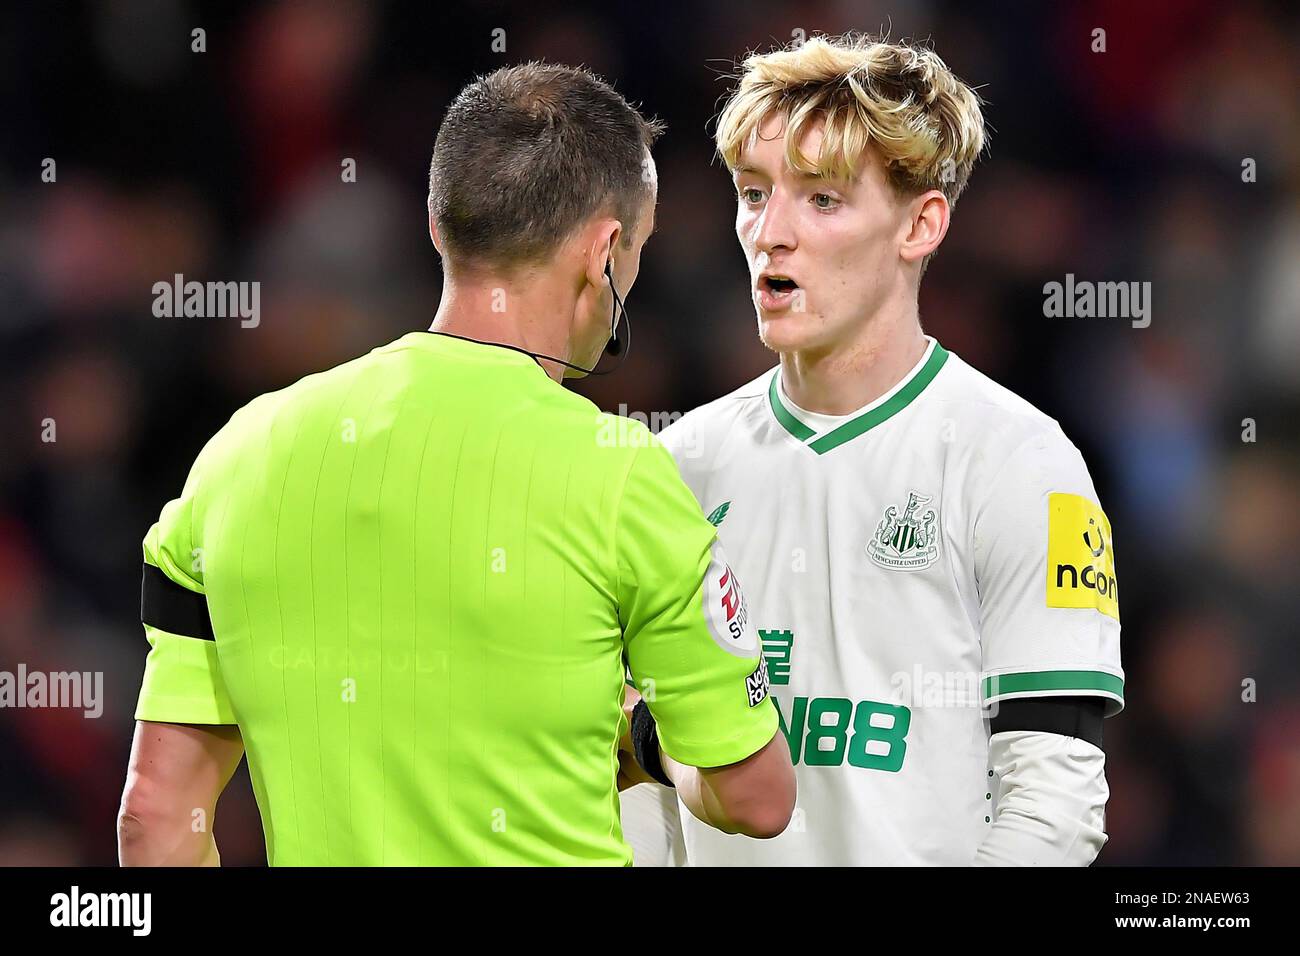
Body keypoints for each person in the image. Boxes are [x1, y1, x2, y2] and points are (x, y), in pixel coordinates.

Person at [118, 62, 794, 867]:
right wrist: (644, 737)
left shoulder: (240, 454)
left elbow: (156, 819)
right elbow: (757, 798)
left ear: (440, 227)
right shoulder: (621, 474)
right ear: (605, 253)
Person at [621, 34, 1122, 866]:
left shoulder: (1021, 464)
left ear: (921, 225)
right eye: (753, 194)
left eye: (821, 199)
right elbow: (644, 778)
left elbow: (1054, 799)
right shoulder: (678, 466)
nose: (770, 232)